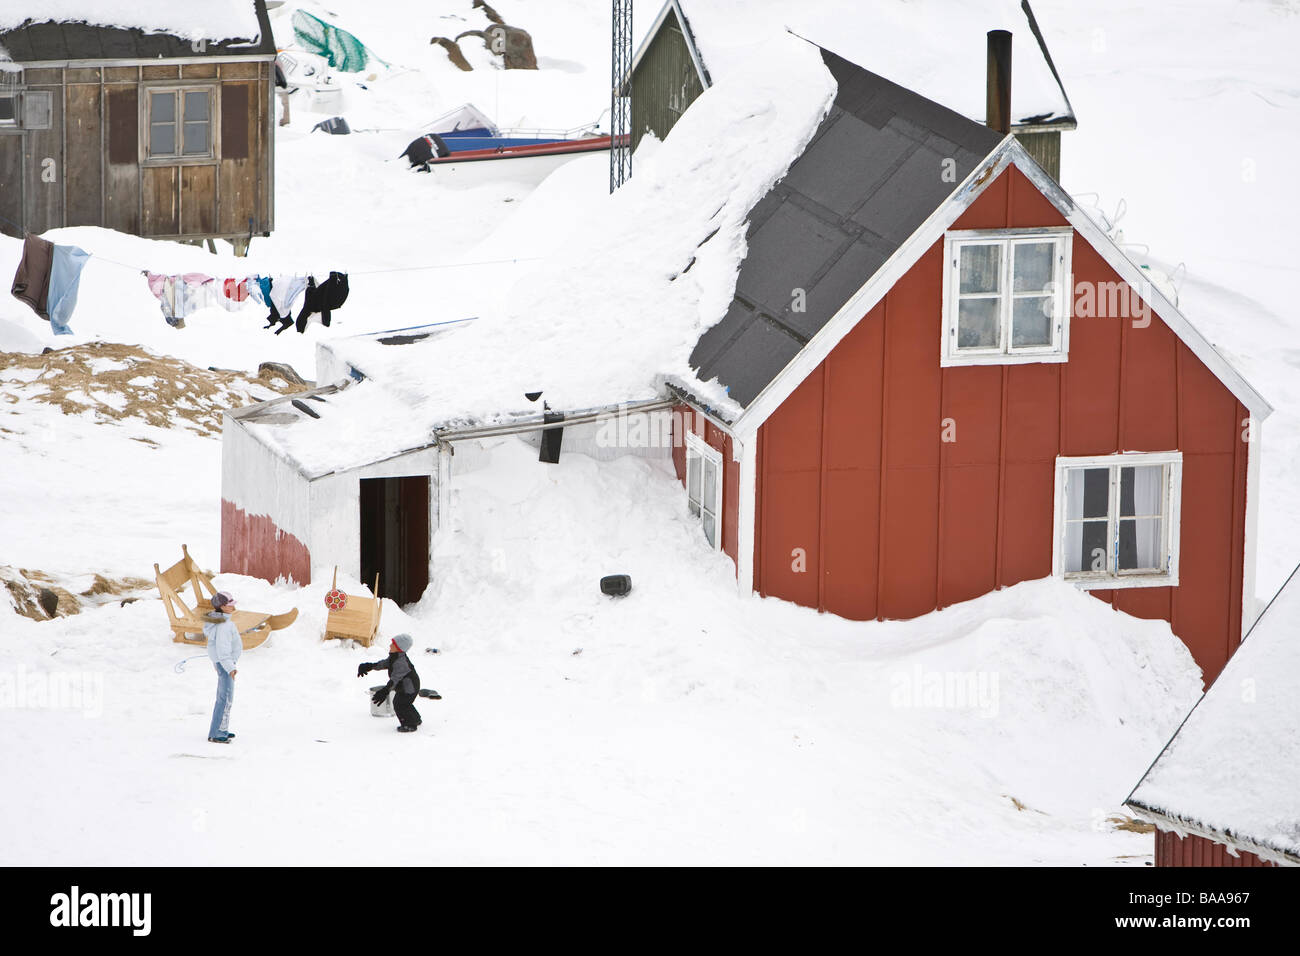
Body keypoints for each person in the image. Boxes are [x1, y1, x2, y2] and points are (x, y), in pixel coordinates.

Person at [358, 634, 422, 732]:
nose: (390, 645)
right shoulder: (395, 657)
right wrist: (369, 666)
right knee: (405, 703)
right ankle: (416, 719)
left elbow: (394, 680)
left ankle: (410, 724)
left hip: (409, 688)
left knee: (399, 703)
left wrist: (385, 691)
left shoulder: (401, 663)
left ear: (399, 648)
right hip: (407, 686)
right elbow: (384, 664)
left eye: (393, 644)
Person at [203, 592, 241, 744]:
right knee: (225, 698)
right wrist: (230, 667)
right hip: (226, 664)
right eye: (231, 605)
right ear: (223, 607)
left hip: (223, 663)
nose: (234, 607)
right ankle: (218, 732)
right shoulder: (224, 625)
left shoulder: (220, 622)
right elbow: (222, 649)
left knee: (223, 697)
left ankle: (221, 729)